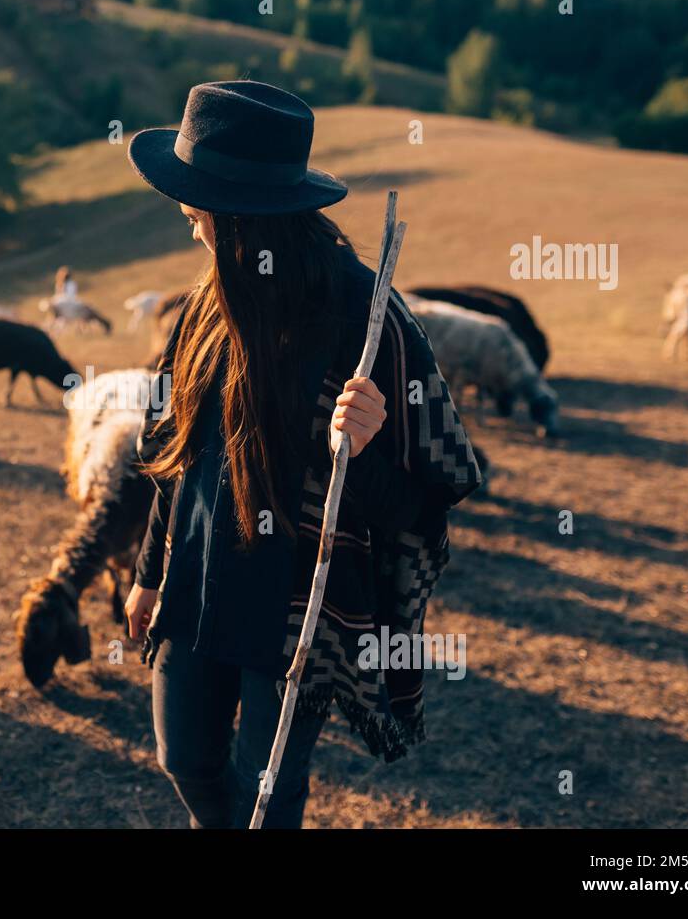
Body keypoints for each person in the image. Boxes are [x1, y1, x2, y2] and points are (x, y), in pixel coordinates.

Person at [123, 80, 482, 828]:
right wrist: (149, 574)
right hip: (193, 580)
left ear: (243, 219)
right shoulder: (206, 306)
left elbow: (424, 500)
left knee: (268, 788)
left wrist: (370, 446)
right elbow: (170, 454)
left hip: (294, 602)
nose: (192, 234)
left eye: (197, 219)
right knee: (181, 756)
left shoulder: (363, 312)